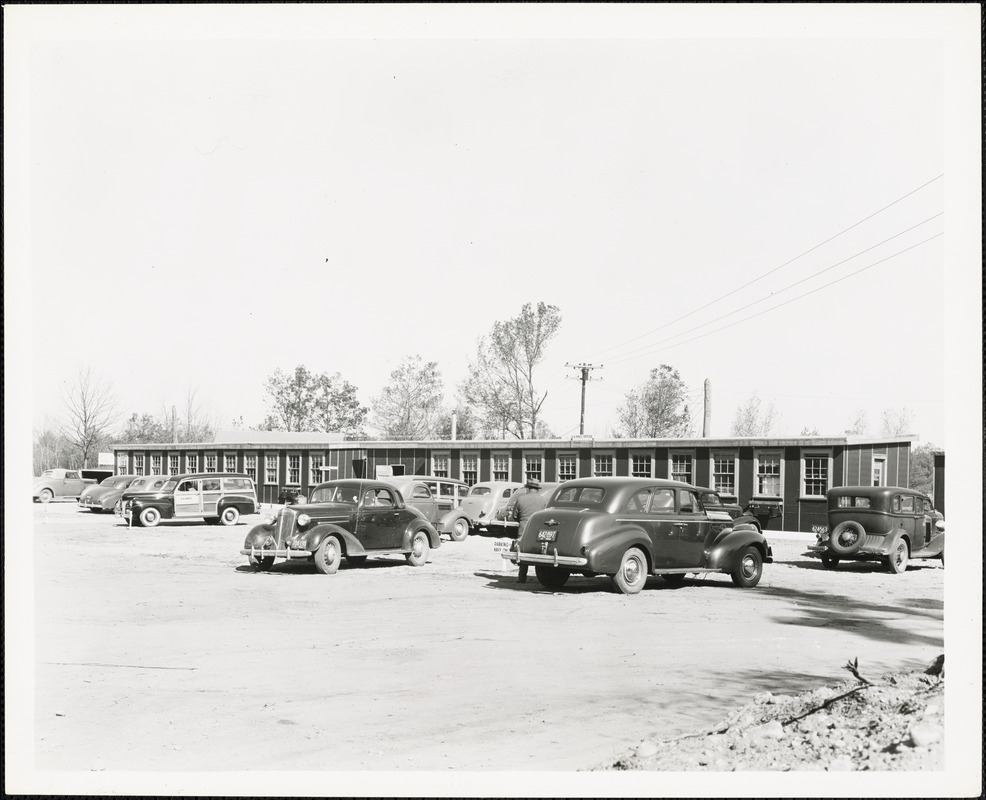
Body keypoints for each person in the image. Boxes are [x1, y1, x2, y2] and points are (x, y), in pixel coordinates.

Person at [512, 479, 548, 583]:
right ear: (537, 489)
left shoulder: (520, 499)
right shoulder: (543, 500)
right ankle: (543, 577)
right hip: (537, 529)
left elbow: (514, 516)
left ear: (527, 488)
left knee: (522, 551)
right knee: (540, 551)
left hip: (523, 528)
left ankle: (522, 577)